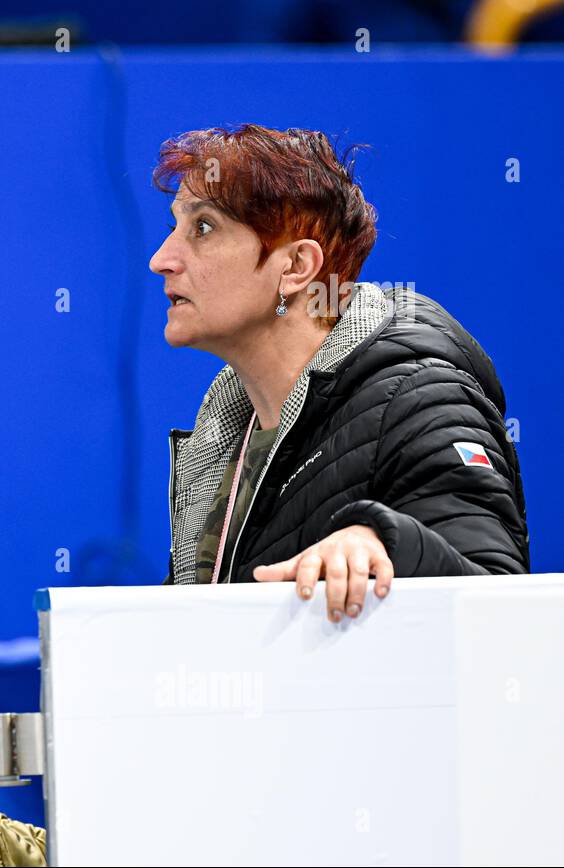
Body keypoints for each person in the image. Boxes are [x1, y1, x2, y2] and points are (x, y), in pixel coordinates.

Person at [149, 124, 529, 620]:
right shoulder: (228, 431)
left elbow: (504, 611)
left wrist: (382, 539)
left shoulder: (422, 401)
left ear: (296, 267)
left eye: (202, 228)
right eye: (174, 227)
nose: (161, 259)